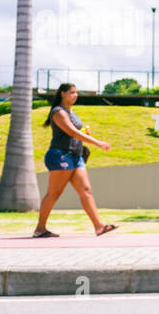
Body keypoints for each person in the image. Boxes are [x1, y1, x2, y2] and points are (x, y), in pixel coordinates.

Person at [32, 83, 115, 238]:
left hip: (76, 156)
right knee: (54, 193)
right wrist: (97, 142)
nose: (75, 95)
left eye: (76, 93)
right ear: (62, 94)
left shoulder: (72, 111)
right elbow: (71, 131)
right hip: (60, 155)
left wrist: (84, 133)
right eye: (71, 93)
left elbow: (75, 132)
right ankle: (40, 228)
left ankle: (99, 226)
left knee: (86, 191)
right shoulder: (58, 112)